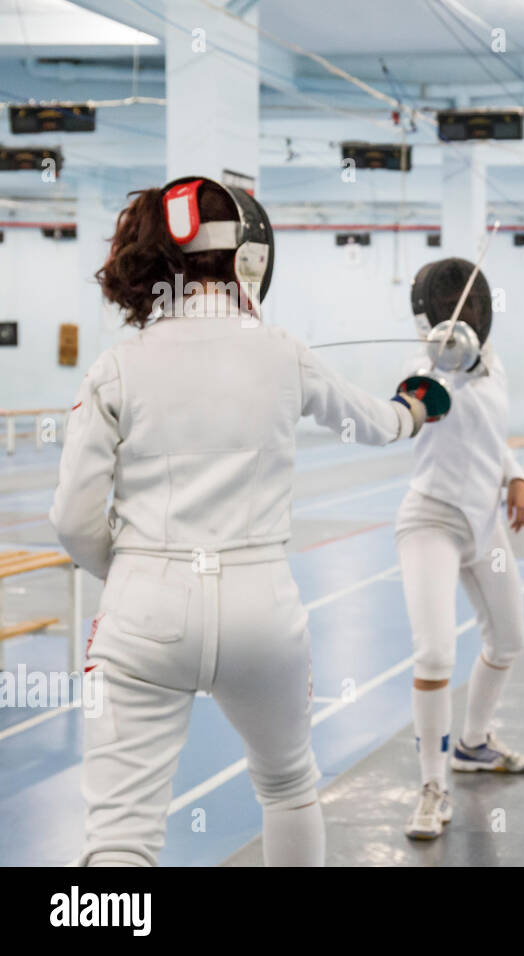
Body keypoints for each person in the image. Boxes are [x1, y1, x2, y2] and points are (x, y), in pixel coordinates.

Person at [50, 178, 429, 867]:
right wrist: (416, 405)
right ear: (248, 257)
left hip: (143, 612)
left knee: (120, 838)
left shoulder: (117, 365)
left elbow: (73, 521)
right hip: (263, 609)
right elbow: (375, 423)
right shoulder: (282, 350)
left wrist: (140, 570)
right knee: (287, 787)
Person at [396, 257, 524, 841]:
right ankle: (432, 786)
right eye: (459, 305)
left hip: (483, 521)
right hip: (431, 519)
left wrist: (515, 475)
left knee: (508, 639)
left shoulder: (492, 364)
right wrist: (433, 377)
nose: (470, 313)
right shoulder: (426, 370)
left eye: (474, 304)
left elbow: (488, 433)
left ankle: (473, 744)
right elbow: (427, 397)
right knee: (433, 656)